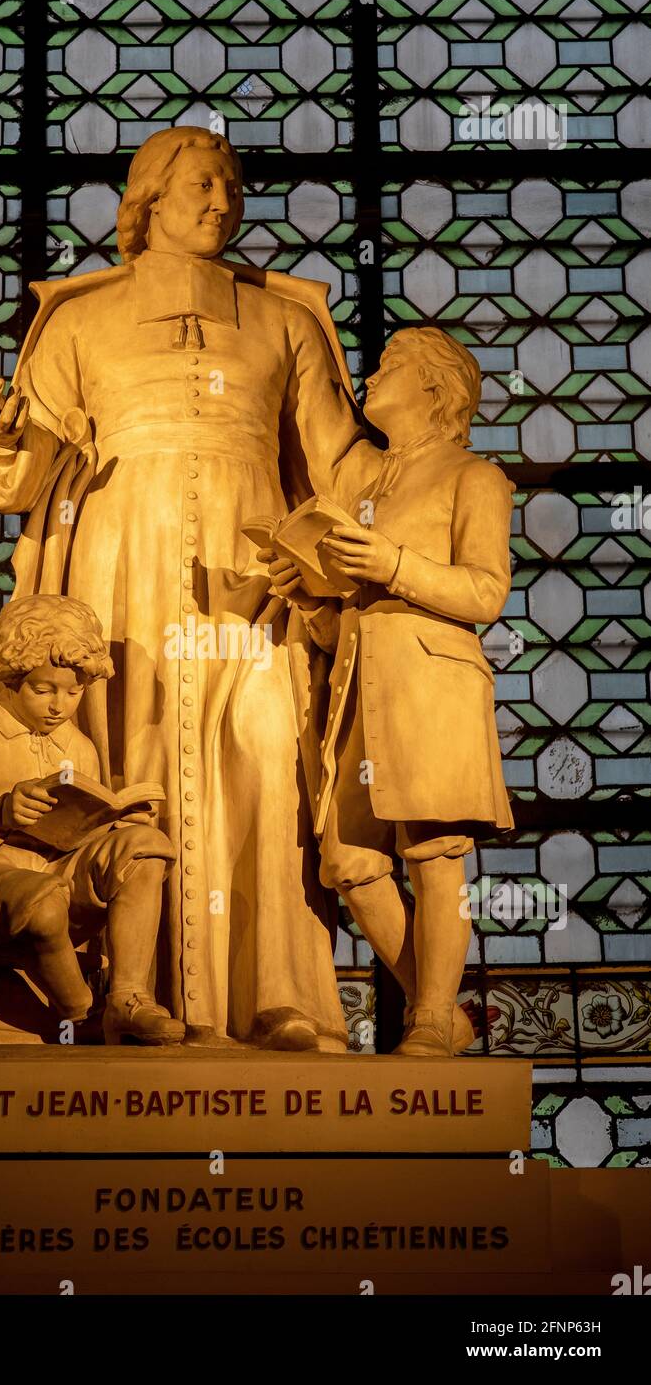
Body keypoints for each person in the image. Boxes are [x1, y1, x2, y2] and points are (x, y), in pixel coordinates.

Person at [0, 125, 380, 1051]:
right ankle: (131, 1002)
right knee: (129, 757)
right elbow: (26, 477)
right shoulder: (78, 317)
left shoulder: (287, 321)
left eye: (230, 186)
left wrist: (424, 475)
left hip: (254, 570)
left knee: (270, 750)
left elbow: (341, 467)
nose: (221, 202)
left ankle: (282, 998)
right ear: (147, 199)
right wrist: (1, 432)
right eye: (200, 185)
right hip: (120, 560)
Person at [264, 328, 514, 1057]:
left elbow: (486, 591)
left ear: (435, 390)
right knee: (348, 861)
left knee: (434, 848)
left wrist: (393, 562)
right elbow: (341, 609)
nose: (371, 377)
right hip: (354, 689)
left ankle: (431, 1018)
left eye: (390, 367)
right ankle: (438, 1005)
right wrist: (309, 594)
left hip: (431, 685)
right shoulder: (367, 484)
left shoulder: (475, 476)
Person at [0, 595, 183, 1046]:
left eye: (74, 692)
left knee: (145, 845)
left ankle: (127, 998)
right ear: (13, 677)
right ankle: (78, 1010)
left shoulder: (79, 746)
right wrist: (0, 812)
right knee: (43, 900)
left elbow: (79, 836)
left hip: (57, 872)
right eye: (44, 689)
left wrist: (113, 823)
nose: (60, 705)